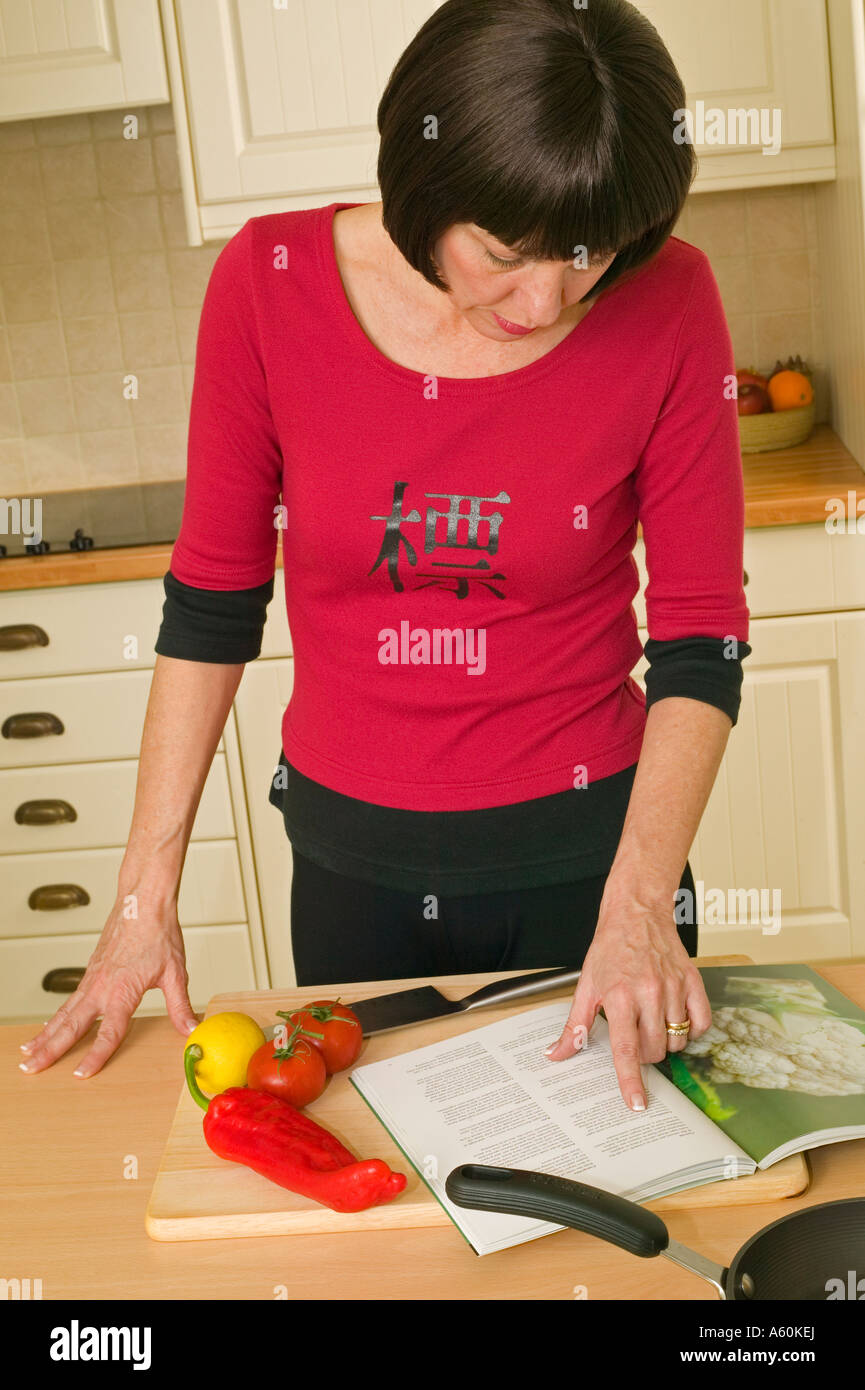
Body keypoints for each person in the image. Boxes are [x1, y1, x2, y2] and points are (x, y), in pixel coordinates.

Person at [20, 0, 750, 1114]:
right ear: (426, 187)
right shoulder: (268, 282)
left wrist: (642, 901)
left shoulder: (673, 300)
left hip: (602, 864)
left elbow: (702, 636)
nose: (547, 298)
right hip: (353, 869)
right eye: (505, 254)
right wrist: (141, 894)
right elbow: (214, 599)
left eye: (586, 252)